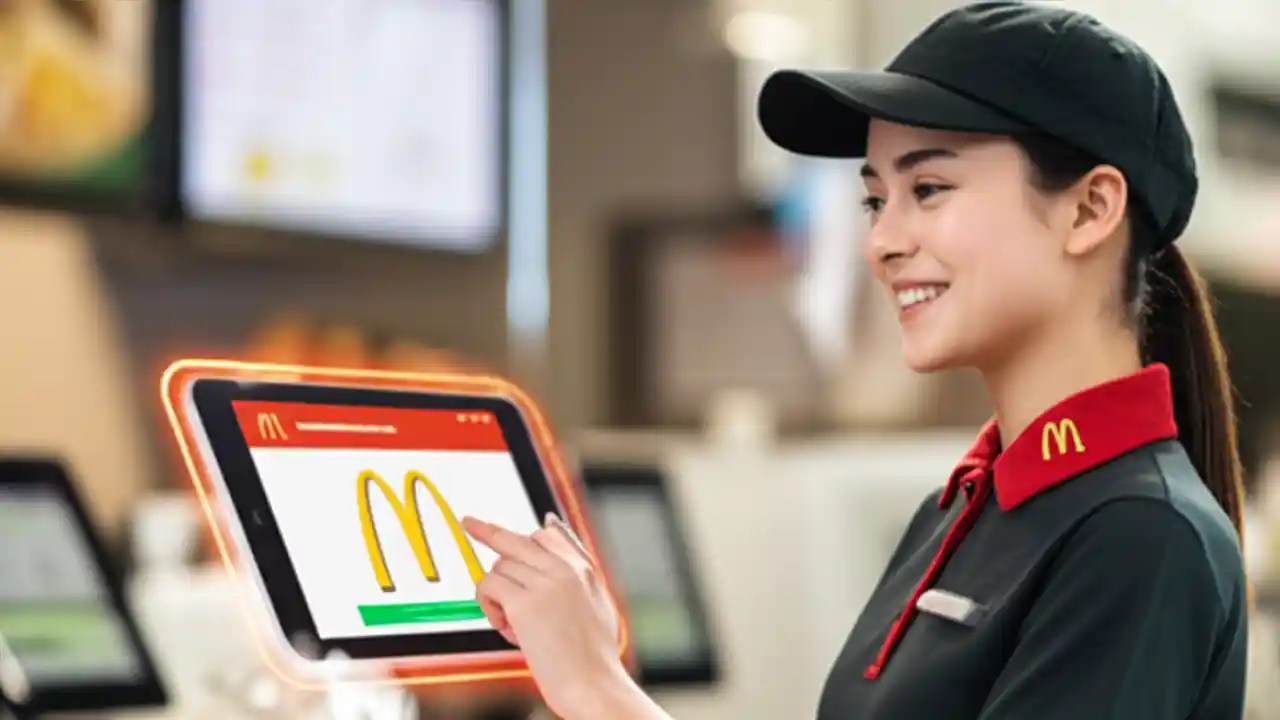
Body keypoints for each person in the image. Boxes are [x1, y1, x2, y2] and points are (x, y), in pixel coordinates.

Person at [459, 2, 1250, 718]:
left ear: (1089, 209)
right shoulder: (965, 508)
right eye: (877, 199)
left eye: (929, 188)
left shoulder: (1141, 537)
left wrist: (598, 691)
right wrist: (598, 674)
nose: (883, 241)